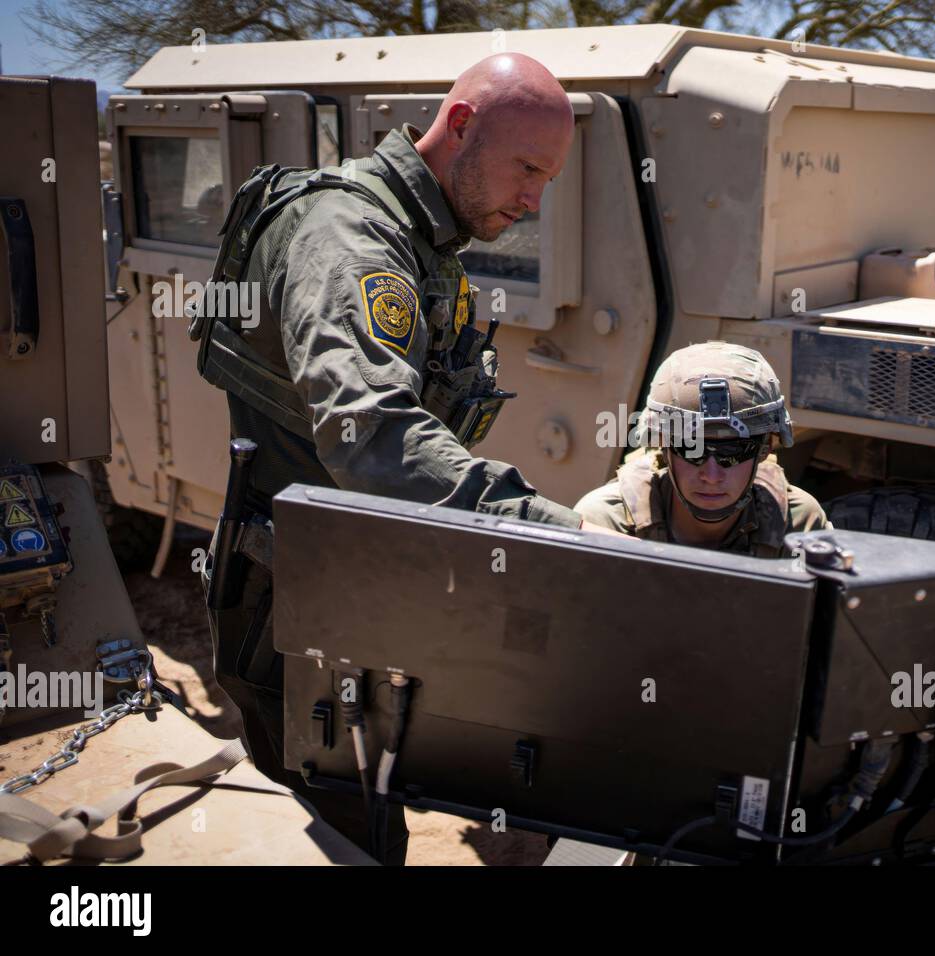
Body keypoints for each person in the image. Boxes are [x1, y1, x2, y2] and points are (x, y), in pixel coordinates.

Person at [194, 53, 621, 864]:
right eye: (526, 169)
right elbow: (372, 433)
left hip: (364, 595)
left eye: (548, 179)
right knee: (350, 837)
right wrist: (553, 533)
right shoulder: (351, 237)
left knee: (380, 803)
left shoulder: (424, 240)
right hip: (301, 618)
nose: (533, 200)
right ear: (460, 127)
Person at [575, 342, 829, 556]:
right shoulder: (607, 522)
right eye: (691, 449)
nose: (711, 475)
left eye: (733, 452)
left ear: (764, 449)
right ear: (664, 448)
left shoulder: (796, 525)